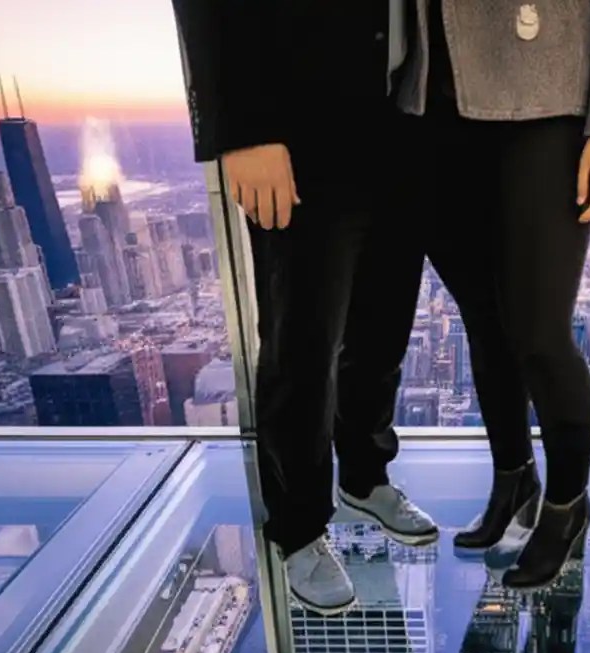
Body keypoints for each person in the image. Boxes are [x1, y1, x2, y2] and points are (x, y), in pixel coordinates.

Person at [172, 0, 438, 616]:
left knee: (384, 325)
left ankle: (366, 477)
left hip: (405, 118)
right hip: (297, 129)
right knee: (304, 342)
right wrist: (239, 131)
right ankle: (298, 529)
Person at [392, 0, 590, 590]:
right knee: (484, 320)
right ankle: (514, 483)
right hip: (429, 102)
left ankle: (567, 507)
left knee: (538, 332)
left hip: (544, 100)